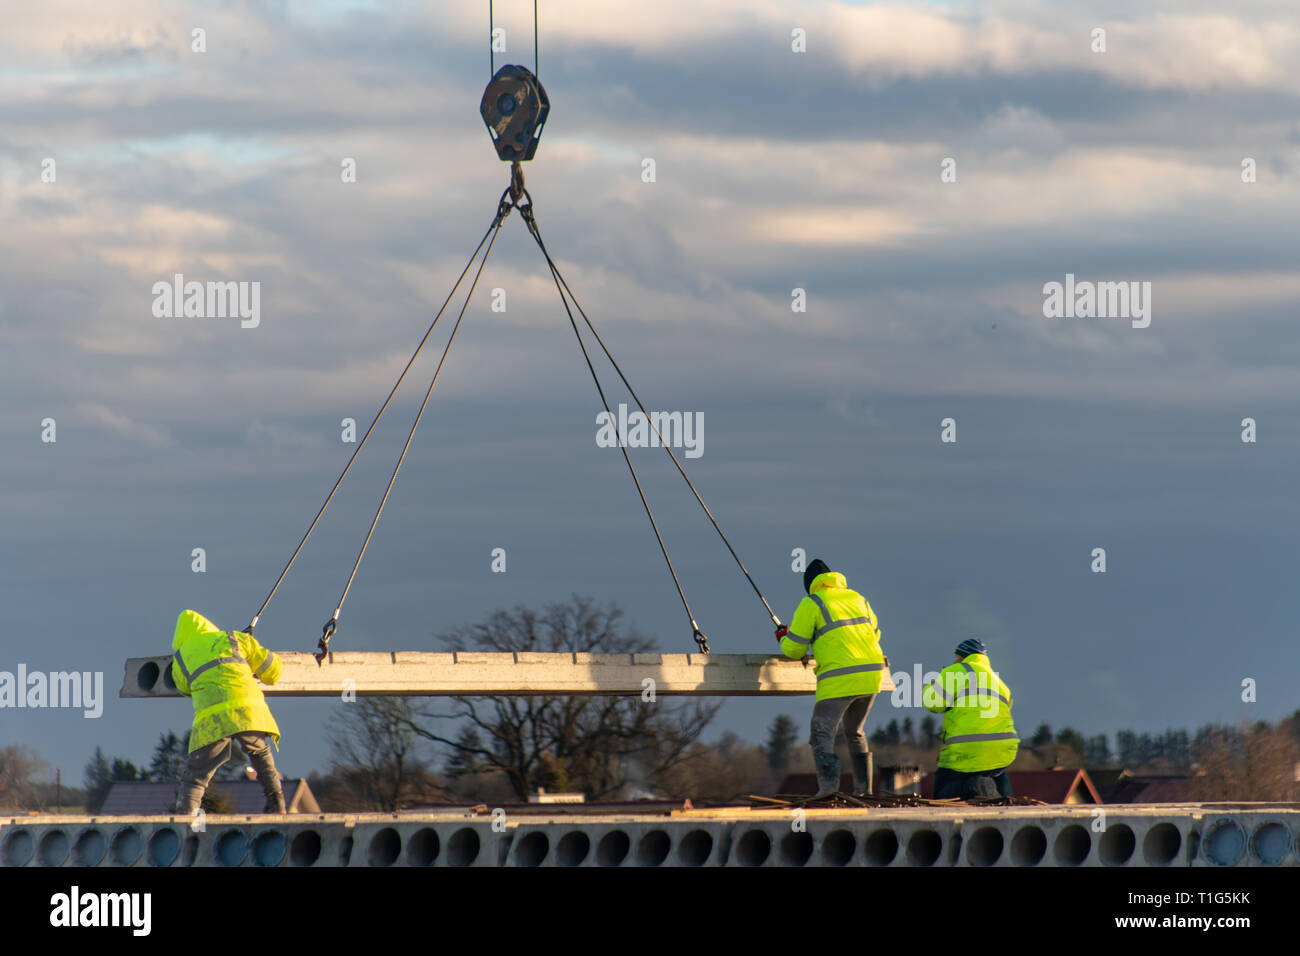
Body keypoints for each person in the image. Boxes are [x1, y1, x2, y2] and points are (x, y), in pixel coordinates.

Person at [776, 559, 888, 797]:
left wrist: (783, 638)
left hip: (840, 677)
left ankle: (828, 791)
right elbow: (875, 634)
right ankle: (863, 791)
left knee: (821, 732)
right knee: (855, 731)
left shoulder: (812, 602)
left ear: (811, 585)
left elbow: (795, 649)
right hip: (872, 675)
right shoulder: (858, 599)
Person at [169, 609, 287, 814]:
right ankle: (277, 802)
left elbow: (183, 688)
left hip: (212, 720)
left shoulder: (181, 656)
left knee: (197, 774)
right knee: (259, 753)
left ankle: (185, 815)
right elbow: (272, 671)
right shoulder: (234, 638)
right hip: (247, 711)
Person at [922, 638, 1019, 799]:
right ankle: (1003, 796)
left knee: (941, 795)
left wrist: (936, 682)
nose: (954, 660)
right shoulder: (999, 682)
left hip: (965, 750)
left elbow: (931, 702)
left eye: (956, 657)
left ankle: (974, 785)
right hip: (1003, 750)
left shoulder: (957, 671)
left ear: (962, 656)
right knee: (996, 774)